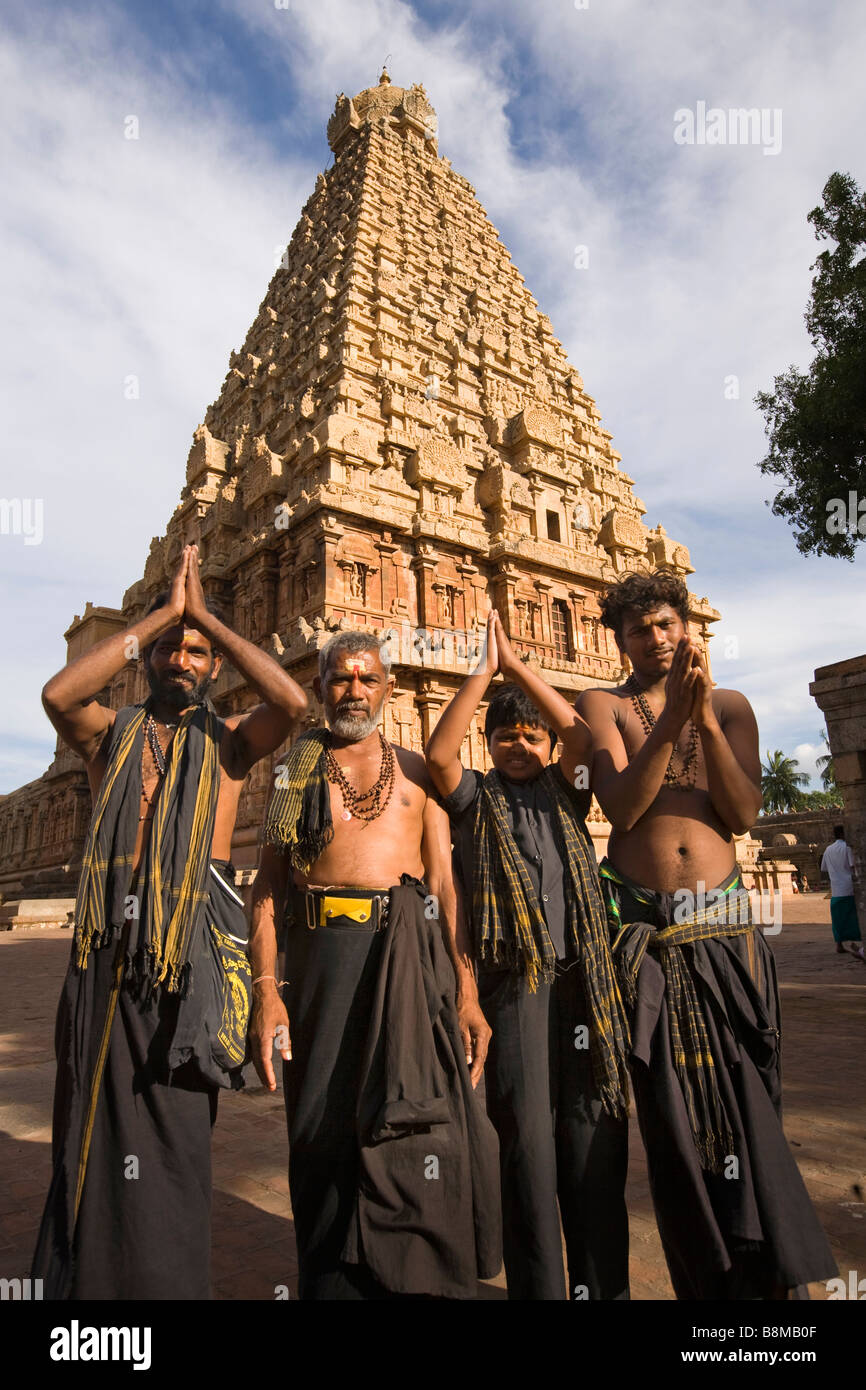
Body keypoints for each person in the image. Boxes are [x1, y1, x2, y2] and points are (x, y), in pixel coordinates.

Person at [32, 544, 308, 1299]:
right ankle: (87, 1287)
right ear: (146, 660)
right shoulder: (108, 736)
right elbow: (59, 694)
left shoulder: (228, 747)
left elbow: (291, 702)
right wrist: (161, 615)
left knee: (177, 1133)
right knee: (88, 1117)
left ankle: (167, 1287)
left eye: (194, 653)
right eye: (168, 651)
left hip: (190, 959)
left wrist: (208, 620)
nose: (181, 658)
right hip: (107, 953)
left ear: (213, 664)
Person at [578, 571, 837, 1300]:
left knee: (753, 1112)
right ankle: (708, 1295)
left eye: (667, 625)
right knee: (674, 1124)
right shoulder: (603, 706)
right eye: (639, 630)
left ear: (686, 627)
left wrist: (704, 718)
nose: (656, 640)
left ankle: (767, 1291)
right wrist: (668, 721)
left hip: (726, 934)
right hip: (650, 938)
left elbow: (744, 811)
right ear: (619, 639)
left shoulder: (731, 706)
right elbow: (624, 808)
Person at [248, 630, 501, 1300]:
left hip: (409, 959)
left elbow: (446, 887)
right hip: (321, 959)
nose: (353, 690)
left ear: (388, 689)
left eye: (366, 679)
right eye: (339, 679)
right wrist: (266, 991)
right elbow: (269, 888)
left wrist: (468, 992)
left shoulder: (418, 771)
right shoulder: (293, 771)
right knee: (319, 1130)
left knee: (418, 1120)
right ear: (319, 688)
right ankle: (328, 1284)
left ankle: (415, 1280)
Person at [425, 610, 630, 1301]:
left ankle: (604, 1288)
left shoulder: (566, 791)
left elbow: (580, 733)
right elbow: (439, 753)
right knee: (527, 1149)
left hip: (583, 984)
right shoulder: (472, 799)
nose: (519, 743)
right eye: (505, 734)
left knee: (593, 1137)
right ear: (490, 742)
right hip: (514, 987)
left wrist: (519, 669)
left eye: (529, 735)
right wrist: (484, 672)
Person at [820, 825, 861, 954]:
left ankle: (839, 945)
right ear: (844, 834)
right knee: (854, 916)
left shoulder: (828, 850)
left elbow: (823, 868)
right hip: (849, 887)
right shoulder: (847, 848)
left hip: (836, 890)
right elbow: (853, 866)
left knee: (838, 919)